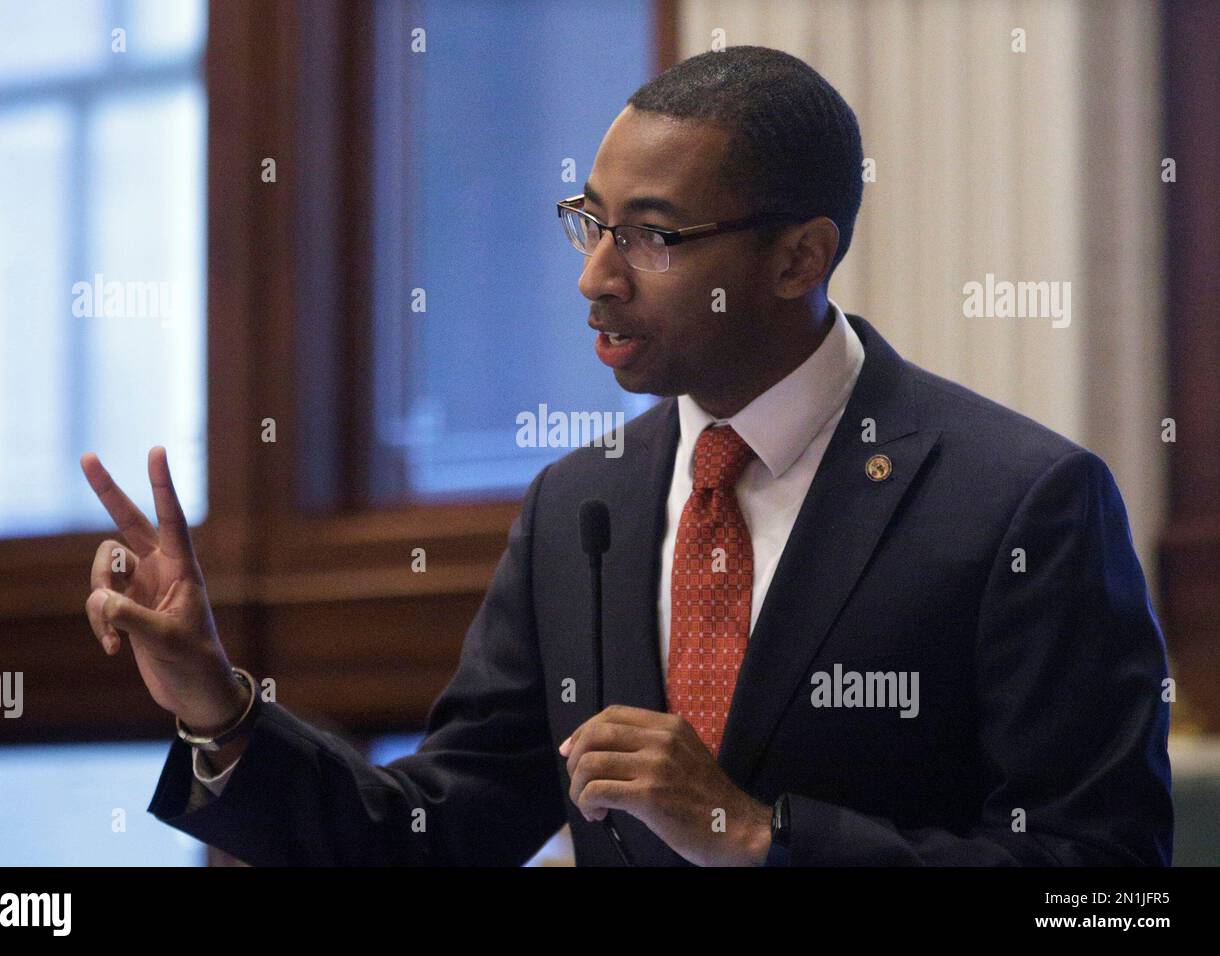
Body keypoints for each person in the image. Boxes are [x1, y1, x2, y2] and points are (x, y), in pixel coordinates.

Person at [80, 46, 1172, 866]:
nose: (594, 276)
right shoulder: (580, 503)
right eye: (589, 221)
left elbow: (1102, 876)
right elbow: (439, 826)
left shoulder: (1018, 502)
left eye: (651, 235)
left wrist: (755, 835)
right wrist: (218, 709)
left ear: (800, 255)